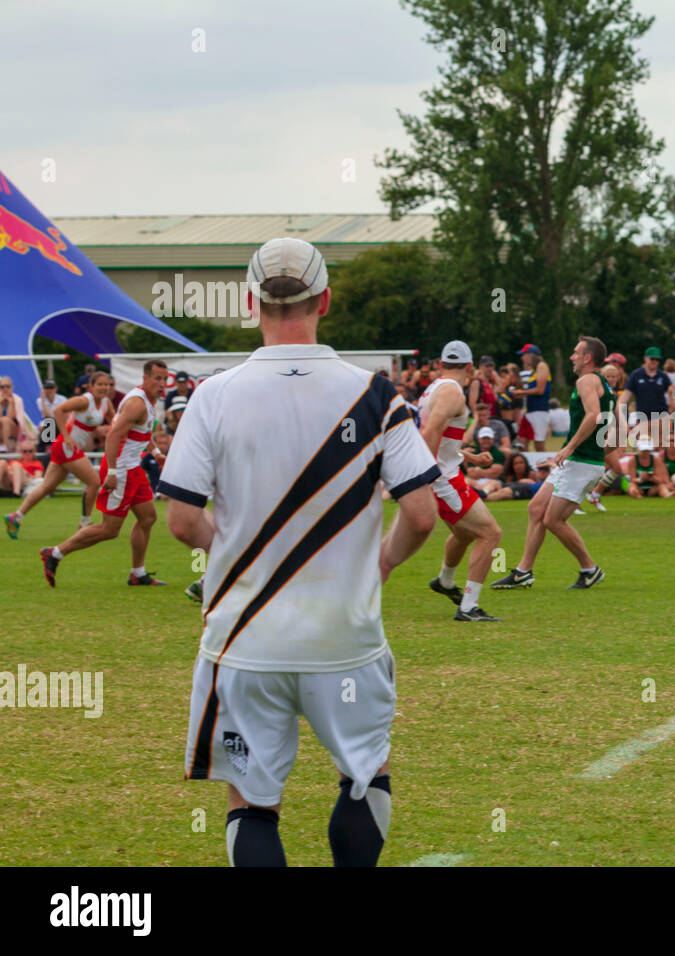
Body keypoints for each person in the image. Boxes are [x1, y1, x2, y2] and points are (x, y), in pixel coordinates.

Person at [159, 237, 438, 867]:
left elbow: (180, 520)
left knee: (252, 805)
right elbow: (421, 514)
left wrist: (236, 555)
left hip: (245, 641)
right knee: (365, 777)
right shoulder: (375, 394)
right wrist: (384, 562)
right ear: (327, 301)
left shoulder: (213, 395)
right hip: (345, 638)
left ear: (252, 302)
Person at [492, 336, 616, 591]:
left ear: (587, 358)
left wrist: (570, 447)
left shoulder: (587, 380)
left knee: (553, 521)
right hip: (578, 461)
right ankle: (523, 572)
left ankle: (589, 569)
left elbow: (594, 416)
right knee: (536, 508)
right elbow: (609, 424)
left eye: (575, 352)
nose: (572, 357)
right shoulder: (603, 383)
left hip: (581, 461)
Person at [40, 361, 171, 588]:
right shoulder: (136, 404)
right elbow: (113, 436)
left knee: (148, 517)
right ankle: (55, 553)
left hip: (132, 468)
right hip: (119, 469)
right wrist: (111, 472)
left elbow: (141, 433)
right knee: (109, 529)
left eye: (164, 379)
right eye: (157, 378)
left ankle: (137, 574)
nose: (162, 384)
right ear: (145, 378)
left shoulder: (148, 402)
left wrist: (157, 453)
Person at [420, 340, 505, 622]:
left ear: (441, 364)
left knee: (464, 534)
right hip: (443, 479)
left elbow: (442, 439)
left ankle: (444, 582)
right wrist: (424, 480)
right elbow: (429, 436)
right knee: (490, 533)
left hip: (446, 473)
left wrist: (469, 456)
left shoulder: (433, 389)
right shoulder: (453, 393)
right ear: (470, 367)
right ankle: (468, 607)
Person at [6, 372, 114, 538]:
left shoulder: (106, 402)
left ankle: (16, 517)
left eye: (107, 384)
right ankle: (85, 524)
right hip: (67, 446)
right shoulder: (84, 400)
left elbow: (114, 421)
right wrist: (66, 435)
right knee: (93, 482)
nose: (104, 388)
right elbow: (58, 410)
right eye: (100, 384)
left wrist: (112, 432)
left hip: (66, 447)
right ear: (91, 387)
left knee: (47, 487)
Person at [620, 346, 675, 447]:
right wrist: (619, 411)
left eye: (657, 359)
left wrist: (672, 396)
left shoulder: (663, 376)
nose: (655, 361)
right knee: (645, 449)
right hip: (643, 418)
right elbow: (625, 396)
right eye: (652, 359)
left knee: (660, 449)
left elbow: (673, 398)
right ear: (645, 358)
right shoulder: (636, 375)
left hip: (661, 418)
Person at [516, 343, 552, 450]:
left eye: (524, 354)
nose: (522, 358)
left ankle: (544, 466)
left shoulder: (542, 366)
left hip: (539, 411)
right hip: (530, 411)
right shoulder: (534, 370)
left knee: (539, 443)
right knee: (522, 442)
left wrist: (521, 393)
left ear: (531, 355)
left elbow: (540, 390)